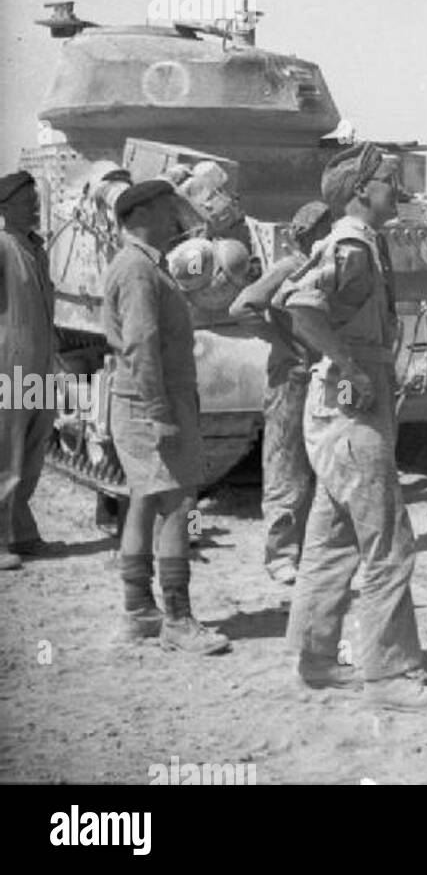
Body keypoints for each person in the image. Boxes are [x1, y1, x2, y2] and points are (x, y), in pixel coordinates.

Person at [280, 144, 427, 709]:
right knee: (389, 541)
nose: (397, 193)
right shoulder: (353, 242)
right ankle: (390, 676)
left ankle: (316, 658)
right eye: (389, 182)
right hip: (353, 406)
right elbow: (299, 304)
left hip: (346, 403)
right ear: (360, 190)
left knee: (333, 539)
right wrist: (351, 363)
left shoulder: (360, 242)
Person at [102, 178, 230, 652]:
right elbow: (141, 345)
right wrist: (161, 414)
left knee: (142, 500)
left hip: (139, 401)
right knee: (178, 507)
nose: (175, 215)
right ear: (144, 215)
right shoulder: (139, 270)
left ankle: (139, 610)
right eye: (166, 207)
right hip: (151, 403)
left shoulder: (139, 264)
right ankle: (177, 620)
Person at [229, 201, 333, 585]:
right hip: (293, 376)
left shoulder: (324, 266)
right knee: (286, 468)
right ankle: (281, 555)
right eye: (324, 227)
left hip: (324, 375)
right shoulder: (289, 268)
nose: (330, 232)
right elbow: (243, 306)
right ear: (306, 234)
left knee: (321, 466)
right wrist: (283, 342)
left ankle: (311, 549)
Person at [0, 170, 56, 570]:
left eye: (36, 201)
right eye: (26, 202)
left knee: (33, 447)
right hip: (11, 364)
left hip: (39, 363)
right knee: (7, 450)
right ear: (5, 209)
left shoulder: (36, 248)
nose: (35, 207)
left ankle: (21, 529)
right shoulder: (3, 246)